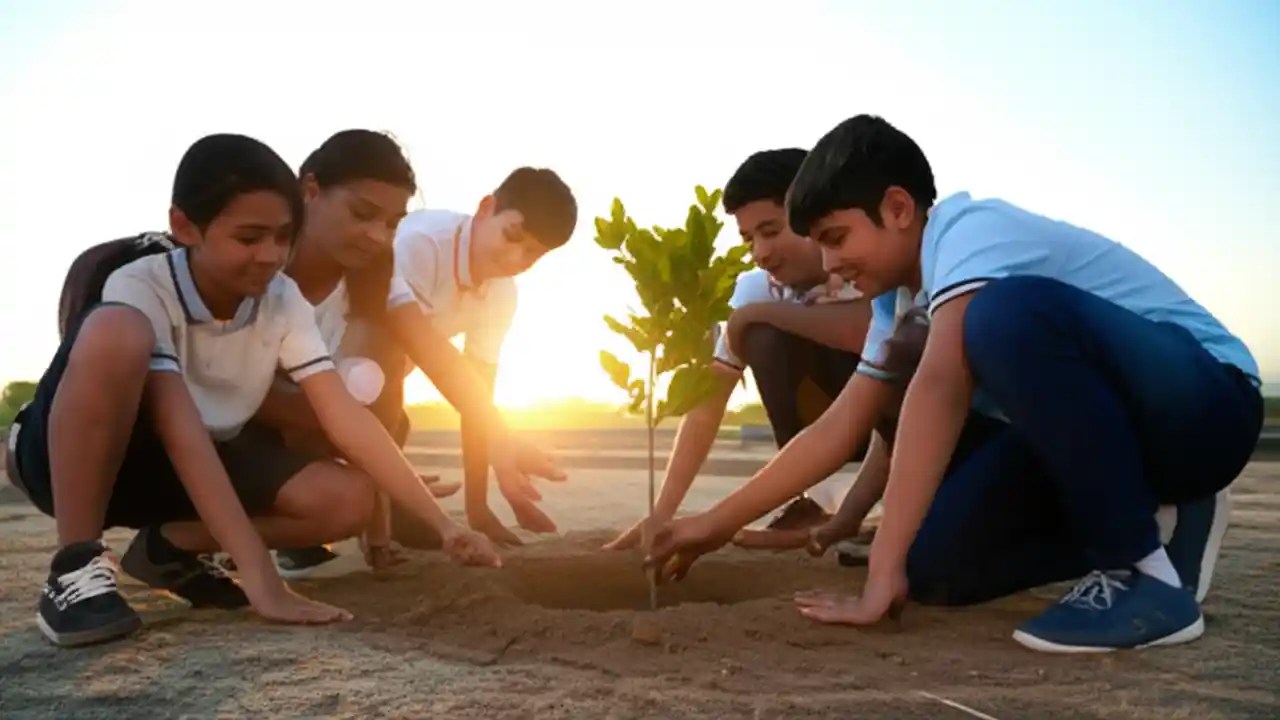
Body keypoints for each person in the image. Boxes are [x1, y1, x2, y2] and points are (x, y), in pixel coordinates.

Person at [645, 114, 1262, 653]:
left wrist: (878, 568)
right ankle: (1160, 517)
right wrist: (713, 523)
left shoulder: (969, 232)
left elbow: (940, 388)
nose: (830, 266)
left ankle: (1144, 575)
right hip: (1107, 442)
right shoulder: (894, 301)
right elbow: (841, 427)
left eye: (836, 239)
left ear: (897, 208)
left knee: (1005, 316)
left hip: (1207, 406)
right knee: (932, 567)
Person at [4, 133, 500, 648]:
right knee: (116, 330)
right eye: (249, 238)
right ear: (185, 227)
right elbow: (183, 434)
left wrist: (446, 527)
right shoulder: (140, 284)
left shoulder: (280, 298)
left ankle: (168, 548)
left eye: (283, 237)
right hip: (68, 466)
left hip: (177, 474)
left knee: (348, 498)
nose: (270, 255)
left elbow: (343, 415)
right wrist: (261, 579)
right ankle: (75, 569)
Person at [254, 131, 576, 577]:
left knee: (368, 447)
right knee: (374, 410)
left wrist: (477, 502)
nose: (517, 257)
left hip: (340, 386)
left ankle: (331, 517)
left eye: (534, 255)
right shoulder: (414, 246)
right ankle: (315, 518)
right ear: (486, 209)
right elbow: (407, 357)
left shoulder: (489, 290)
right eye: (513, 236)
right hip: (291, 388)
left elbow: (465, 379)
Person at [604, 148, 871, 552]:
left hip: (894, 429)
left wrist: (758, 315)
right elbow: (710, 398)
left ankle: (867, 506)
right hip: (822, 442)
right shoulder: (755, 289)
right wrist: (663, 511)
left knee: (766, 323)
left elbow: (871, 331)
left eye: (771, 231)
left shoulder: (871, 265)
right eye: (749, 239)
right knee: (763, 332)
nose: (760, 254)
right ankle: (817, 499)